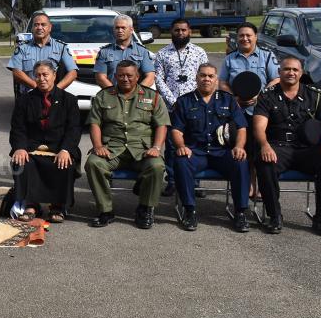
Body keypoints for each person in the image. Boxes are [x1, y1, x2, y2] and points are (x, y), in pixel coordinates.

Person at [253, 56, 321, 236]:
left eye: (295, 70)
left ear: (301, 73)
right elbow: (259, 127)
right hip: (278, 147)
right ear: (279, 72)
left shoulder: (314, 97)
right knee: (263, 160)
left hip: (307, 150)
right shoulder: (267, 97)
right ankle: (275, 216)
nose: (290, 73)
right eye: (286, 69)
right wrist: (264, 145)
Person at [85, 60, 170, 229]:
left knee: (157, 166)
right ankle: (105, 210)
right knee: (93, 163)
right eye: (121, 75)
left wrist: (156, 148)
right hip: (112, 150)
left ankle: (145, 209)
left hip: (142, 151)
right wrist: (98, 146)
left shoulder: (152, 97)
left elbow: (162, 125)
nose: (125, 79)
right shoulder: (103, 96)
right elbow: (94, 123)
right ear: (115, 76)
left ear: (137, 76)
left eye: (130, 75)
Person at [169, 63, 250, 233]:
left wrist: (239, 146)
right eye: (203, 75)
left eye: (210, 76)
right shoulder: (184, 101)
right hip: (195, 152)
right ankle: (190, 210)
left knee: (241, 161)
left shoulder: (228, 100)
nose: (206, 79)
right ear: (196, 78)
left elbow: (241, 127)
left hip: (222, 152)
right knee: (181, 161)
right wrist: (181, 146)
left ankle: (241, 212)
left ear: (216, 80)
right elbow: (176, 130)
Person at [9, 61, 81, 222]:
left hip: (59, 147)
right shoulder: (24, 100)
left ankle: (58, 206)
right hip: (32, 147)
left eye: (45, 75)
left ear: (54, 76)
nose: (41, 79)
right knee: (21, 162)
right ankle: (30, 205)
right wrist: (19, 147)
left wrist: (66, 150)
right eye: (38, 75)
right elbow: (17, 128)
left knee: (65, 163)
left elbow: (74, 129)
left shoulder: (68, 100)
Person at [219, 22, 280, 199]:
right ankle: (249, 184)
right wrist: (234, 98)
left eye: (248, 35)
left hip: (261, 112)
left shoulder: (267, 56)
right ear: (236, 38)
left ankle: (262, 185)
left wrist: (261, 96)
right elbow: (222, 82)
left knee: (259, 149)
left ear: (255, 37)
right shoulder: (230, 59)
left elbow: (275, 80)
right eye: (241, 36)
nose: (245, 38)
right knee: (244, 149)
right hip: (238, 111)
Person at [153, 18, 208, 198]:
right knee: (171, 146)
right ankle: (172, 181)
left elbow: (205, 78)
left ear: (189, 31)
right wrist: (173, 100)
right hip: (171, 106)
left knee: (194, 142)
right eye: (177, 30)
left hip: (194, 105)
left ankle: (195, 181)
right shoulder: (162, 54)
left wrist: (193, 100)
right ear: (171, 31)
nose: (180, 33)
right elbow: (159, 79)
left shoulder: (199, 53)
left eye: (183, 30)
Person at [8, 12, 77, 95]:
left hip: (53, 98)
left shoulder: (61, 48)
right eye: (36, 25)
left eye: (43, 25)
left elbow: (73, 73)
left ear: (50, 27)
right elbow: (16, 72)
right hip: (29, 97)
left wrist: (55, 90)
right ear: (32, 28)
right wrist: (36, 87)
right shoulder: (22, 48)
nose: (39, 28)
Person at [94, 14, 155, 88]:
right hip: (111, 95)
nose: (120, 31)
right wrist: (114, 93)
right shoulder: (104, 52)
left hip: (136, 96)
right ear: (113, 30)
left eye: (123, 28)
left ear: (131, 30)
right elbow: (100, 77)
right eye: (117, 28)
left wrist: (137, 93)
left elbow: (150, 76)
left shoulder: (142, 51)